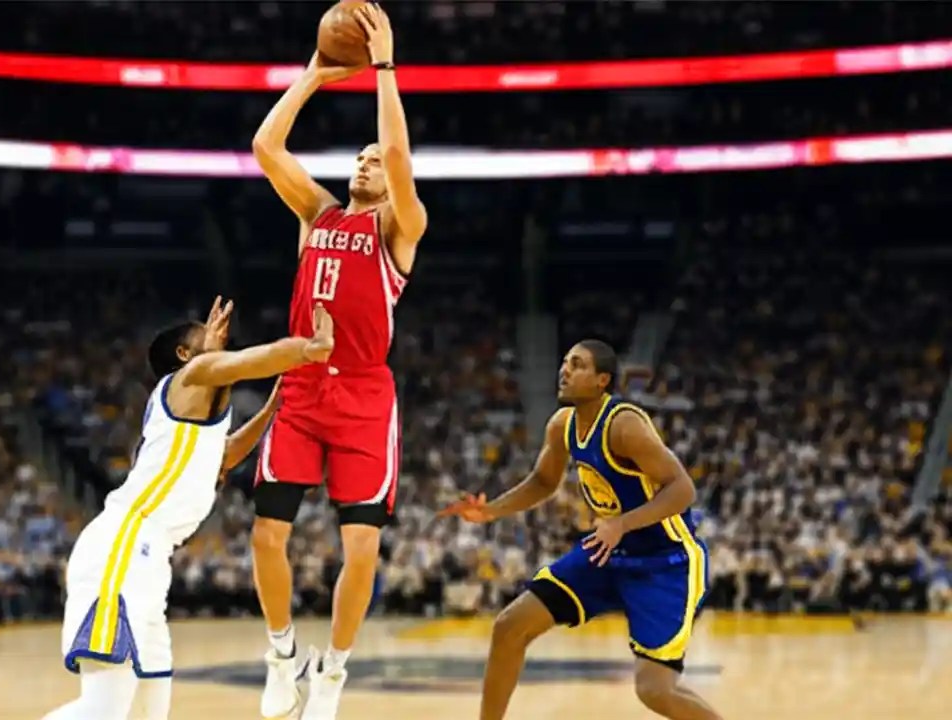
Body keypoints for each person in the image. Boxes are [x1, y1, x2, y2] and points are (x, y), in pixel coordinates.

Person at [249, 5, 426, 718]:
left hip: (361, 396)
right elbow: (266, 146)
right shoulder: (317, 214)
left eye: (374, 160)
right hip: (299, 385)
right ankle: (284, 653)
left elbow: (402, 158)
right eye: (358, 157)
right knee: (268, 533)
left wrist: (384, 71)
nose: (365, 162)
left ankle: (334, 673)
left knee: (361, 551)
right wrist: (313, 76)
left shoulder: (399, 227)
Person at [44, 298, 336, 720]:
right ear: (184, 354)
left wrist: (273, 408)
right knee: (103, 709)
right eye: (206, 333)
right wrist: (308, 347)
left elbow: (225, 456)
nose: (219, 334)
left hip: (150, 556)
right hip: (124, 545)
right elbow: (250, 361)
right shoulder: (189, 376)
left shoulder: (195, 418)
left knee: (152, 710)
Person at [440, 340, 725, 720]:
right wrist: (489, 511)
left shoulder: (625, 426)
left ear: (601, 380)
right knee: (510, 626)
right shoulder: (562, 426)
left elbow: (683, 489)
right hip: (608, 553)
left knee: (655, 691)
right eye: (565, 362)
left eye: (577, 364)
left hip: (666, 562)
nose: (565, 370)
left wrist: (621, 524)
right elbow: (543, 481)